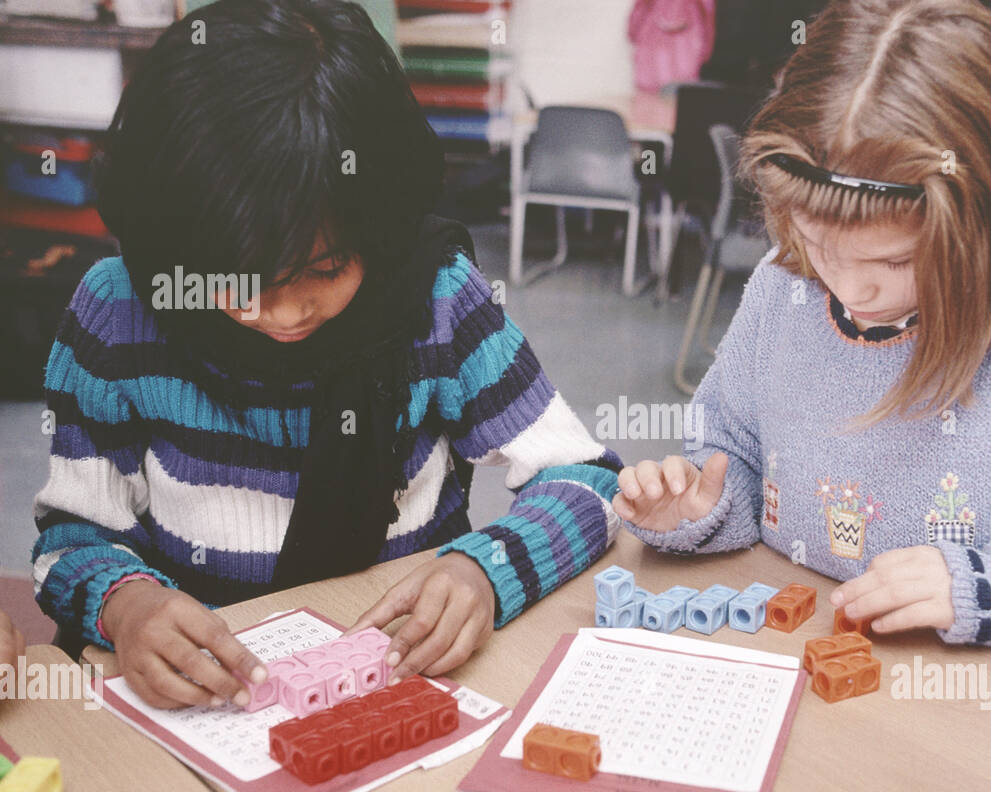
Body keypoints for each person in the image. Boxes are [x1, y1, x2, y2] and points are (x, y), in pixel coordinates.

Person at [615, 0, 991, 682]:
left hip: (989, 704)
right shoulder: (784, 284)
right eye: (820, 244)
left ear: (987, 222)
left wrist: (988, 588)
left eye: (896, 263)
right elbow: (733, 450)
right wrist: (705, 506)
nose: (851, 288)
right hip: (809, 675)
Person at [33, 0, 620, 709]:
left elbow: (589, 482)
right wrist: (125, 606)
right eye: (237, 279)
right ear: (176, 244)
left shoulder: (433, 298)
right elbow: (73, 537)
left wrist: (484, 573)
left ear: (378, 227)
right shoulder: (120, 311)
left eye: (328, 267)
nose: (284, 313)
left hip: (394, 680)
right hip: (211, 704)